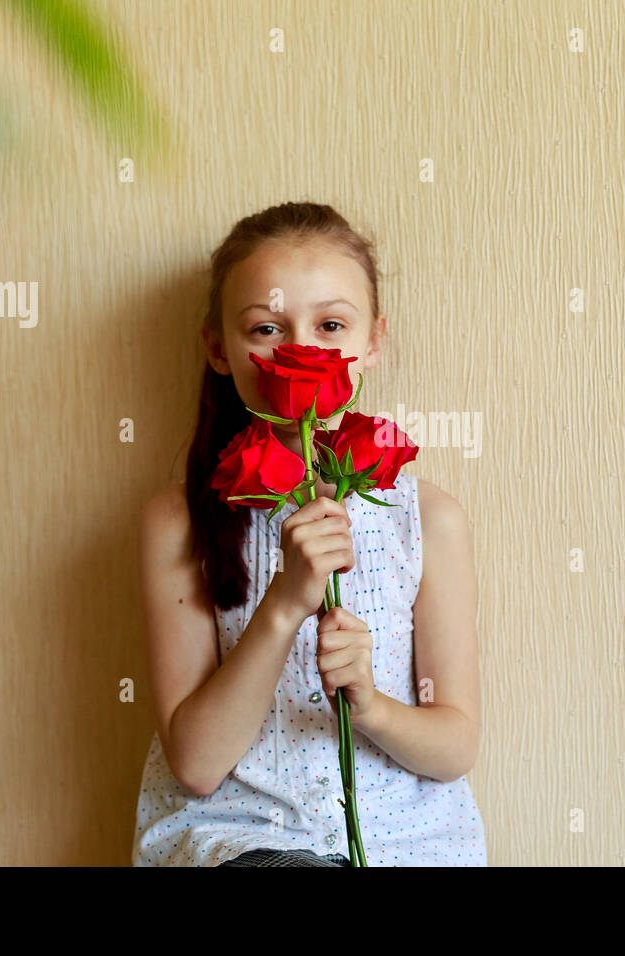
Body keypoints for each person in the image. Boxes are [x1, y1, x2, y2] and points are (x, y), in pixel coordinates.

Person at [131, 201, 487, 866]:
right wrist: (284, 605)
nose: (298, 351)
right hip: (244, 841)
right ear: (217, 348)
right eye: (267, 328)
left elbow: (456, 746)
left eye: (330, 324)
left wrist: (372, 705)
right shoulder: (178, 522)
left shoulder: (426, 519)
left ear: (373, 341)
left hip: (406, 846)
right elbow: (198, 765)